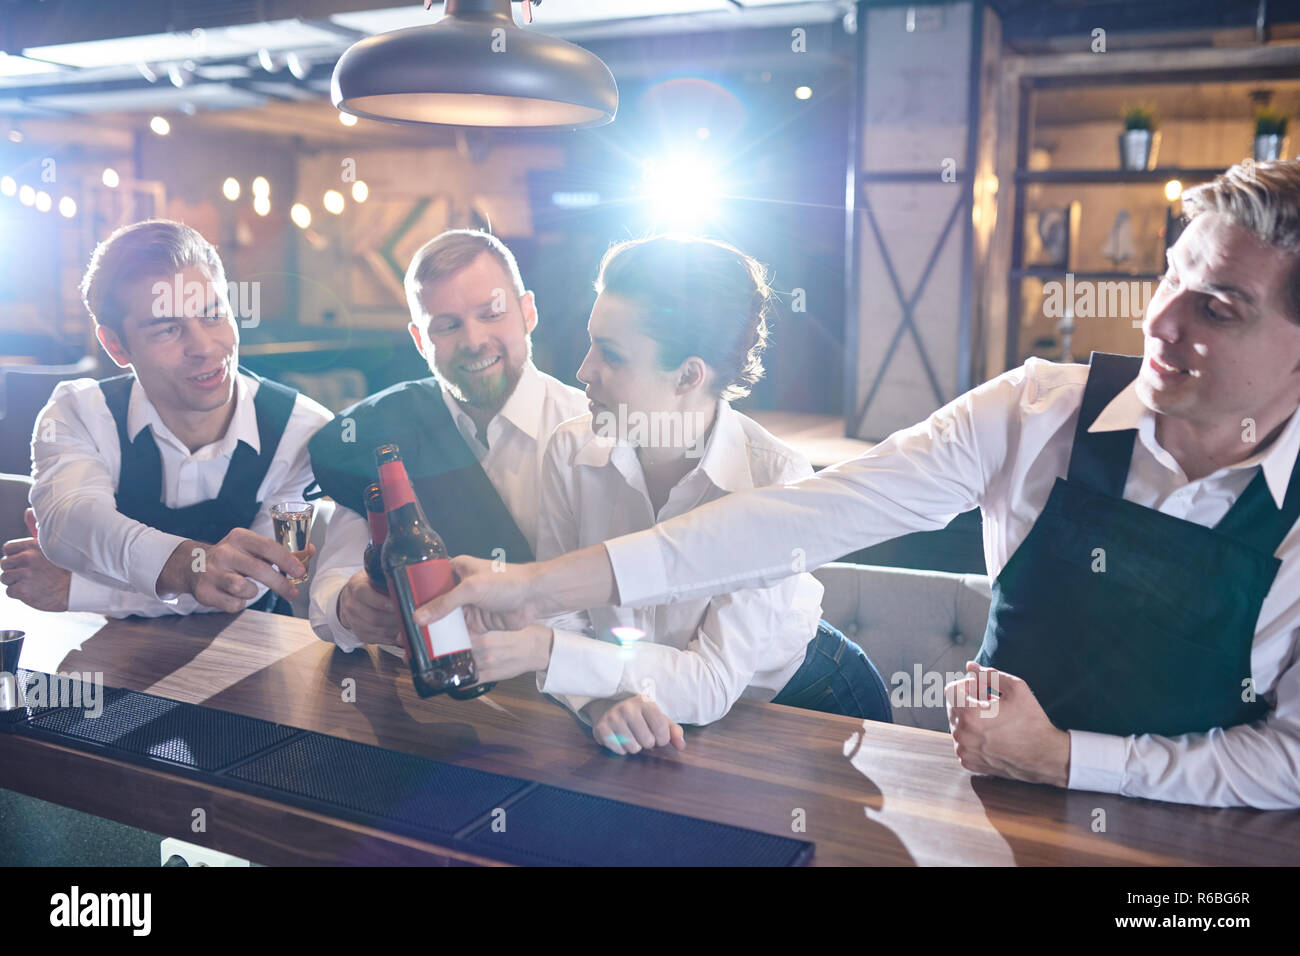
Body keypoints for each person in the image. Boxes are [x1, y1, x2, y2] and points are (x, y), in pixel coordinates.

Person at [416, 160, 1300, 809]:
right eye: (1170, 278)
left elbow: (1289, 766)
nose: (1159, 320)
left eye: (1216, 308)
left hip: (1217, 850)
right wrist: (531, 593)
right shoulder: (1035, 411)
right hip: (992, 799)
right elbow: (791, 522)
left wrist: (1070, 759)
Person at [467, 235, 892, 755]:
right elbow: (559, 610)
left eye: (612, 355)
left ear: (689, 375)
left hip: (805, 703)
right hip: (650, 708)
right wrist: (601, 702)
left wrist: (543, 651)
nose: (583, 371)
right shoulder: (570, 450)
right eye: (591, 341)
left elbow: (710, 685)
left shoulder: (775, 480)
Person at [3, 219, 331, 617]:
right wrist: (186, 565)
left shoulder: (305, 432)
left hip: (254, 661)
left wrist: (81, 589)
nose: (205, 348)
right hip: (108, 656)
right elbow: (71, 523)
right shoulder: (79, 412)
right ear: (115, 345)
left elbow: (247, 587)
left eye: (213, 315)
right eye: (168, 330)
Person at [306, 229, 587, 652]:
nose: (473, 341)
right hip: (422, 693)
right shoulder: (384, 429)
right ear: (421, 341)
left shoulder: (591, 427)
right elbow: (334, 584)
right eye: (447, 325)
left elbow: (618, 596)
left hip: (559, 686)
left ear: (527, 312)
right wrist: (348, 604)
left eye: (491, 314)